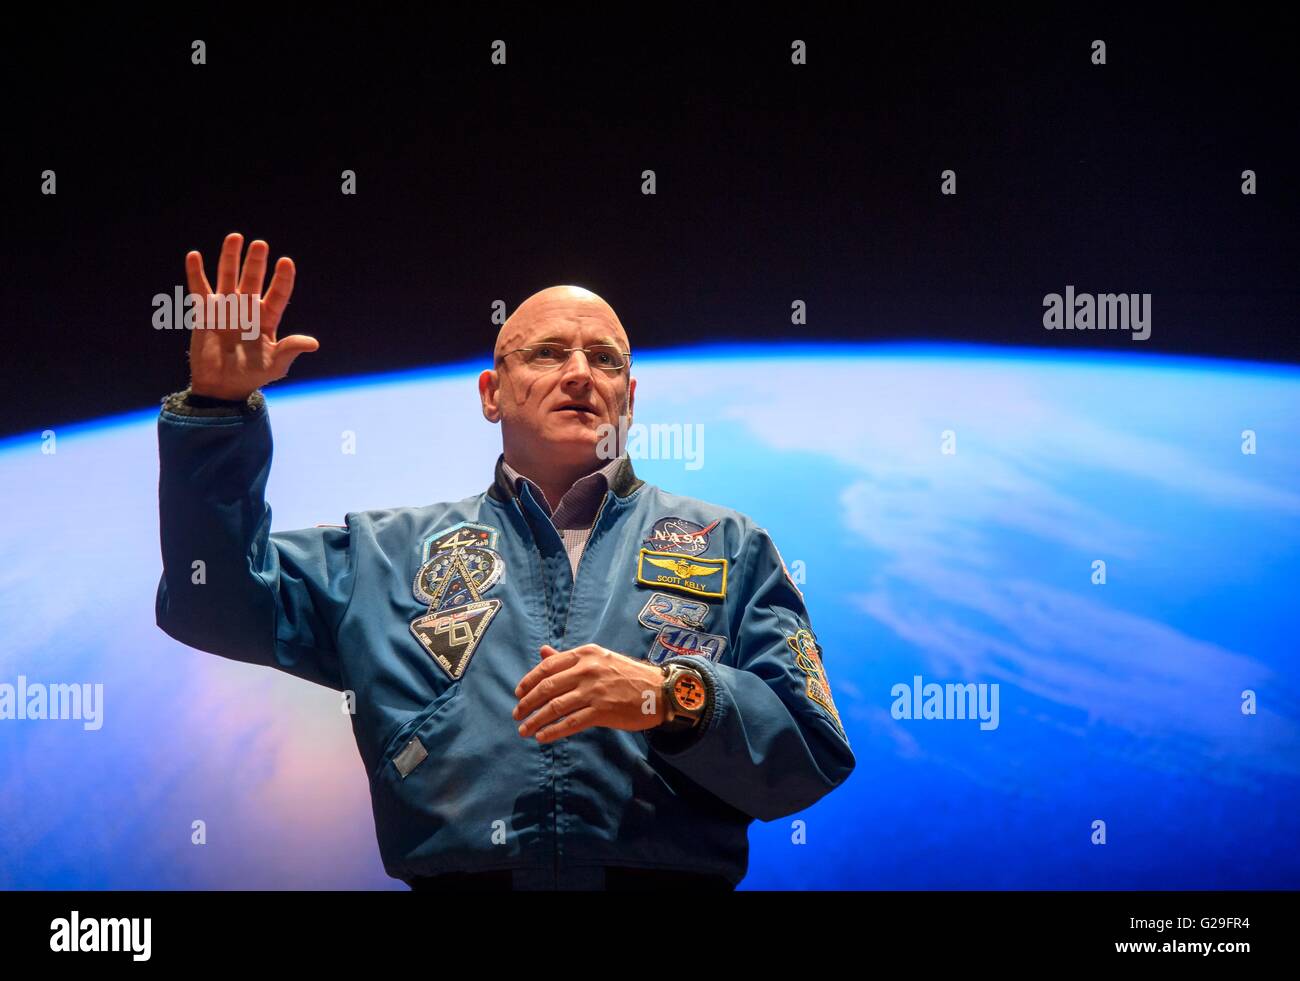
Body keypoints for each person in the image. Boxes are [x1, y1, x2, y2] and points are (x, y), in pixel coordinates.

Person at [155, 232, 856, 890]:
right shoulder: (382, 554)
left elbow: (810, 755)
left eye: (606, 359)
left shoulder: (730, 545)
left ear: (630, 400)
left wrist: (668, 696)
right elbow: (210, 598)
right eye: (547, 353)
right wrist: (217, 413)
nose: (581, 373)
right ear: (492, 394)